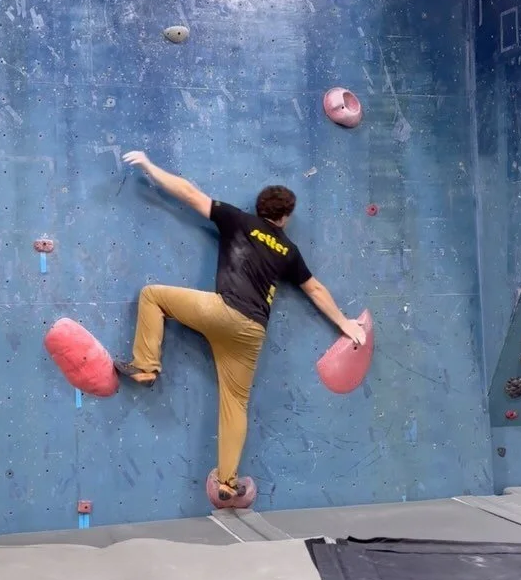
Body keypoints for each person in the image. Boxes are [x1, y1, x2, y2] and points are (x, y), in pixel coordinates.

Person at [115, 151, 367, 504]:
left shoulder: (237, 220)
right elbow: (315, 288)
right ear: (285, 217)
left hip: (222, 311)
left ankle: (145, 366)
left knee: (152, 296)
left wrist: (148, 165)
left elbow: (188, 192)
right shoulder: (288, 250)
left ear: (260, 208)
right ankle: (227, 484)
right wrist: (345, 324)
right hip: (252, 332)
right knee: (235, 404)